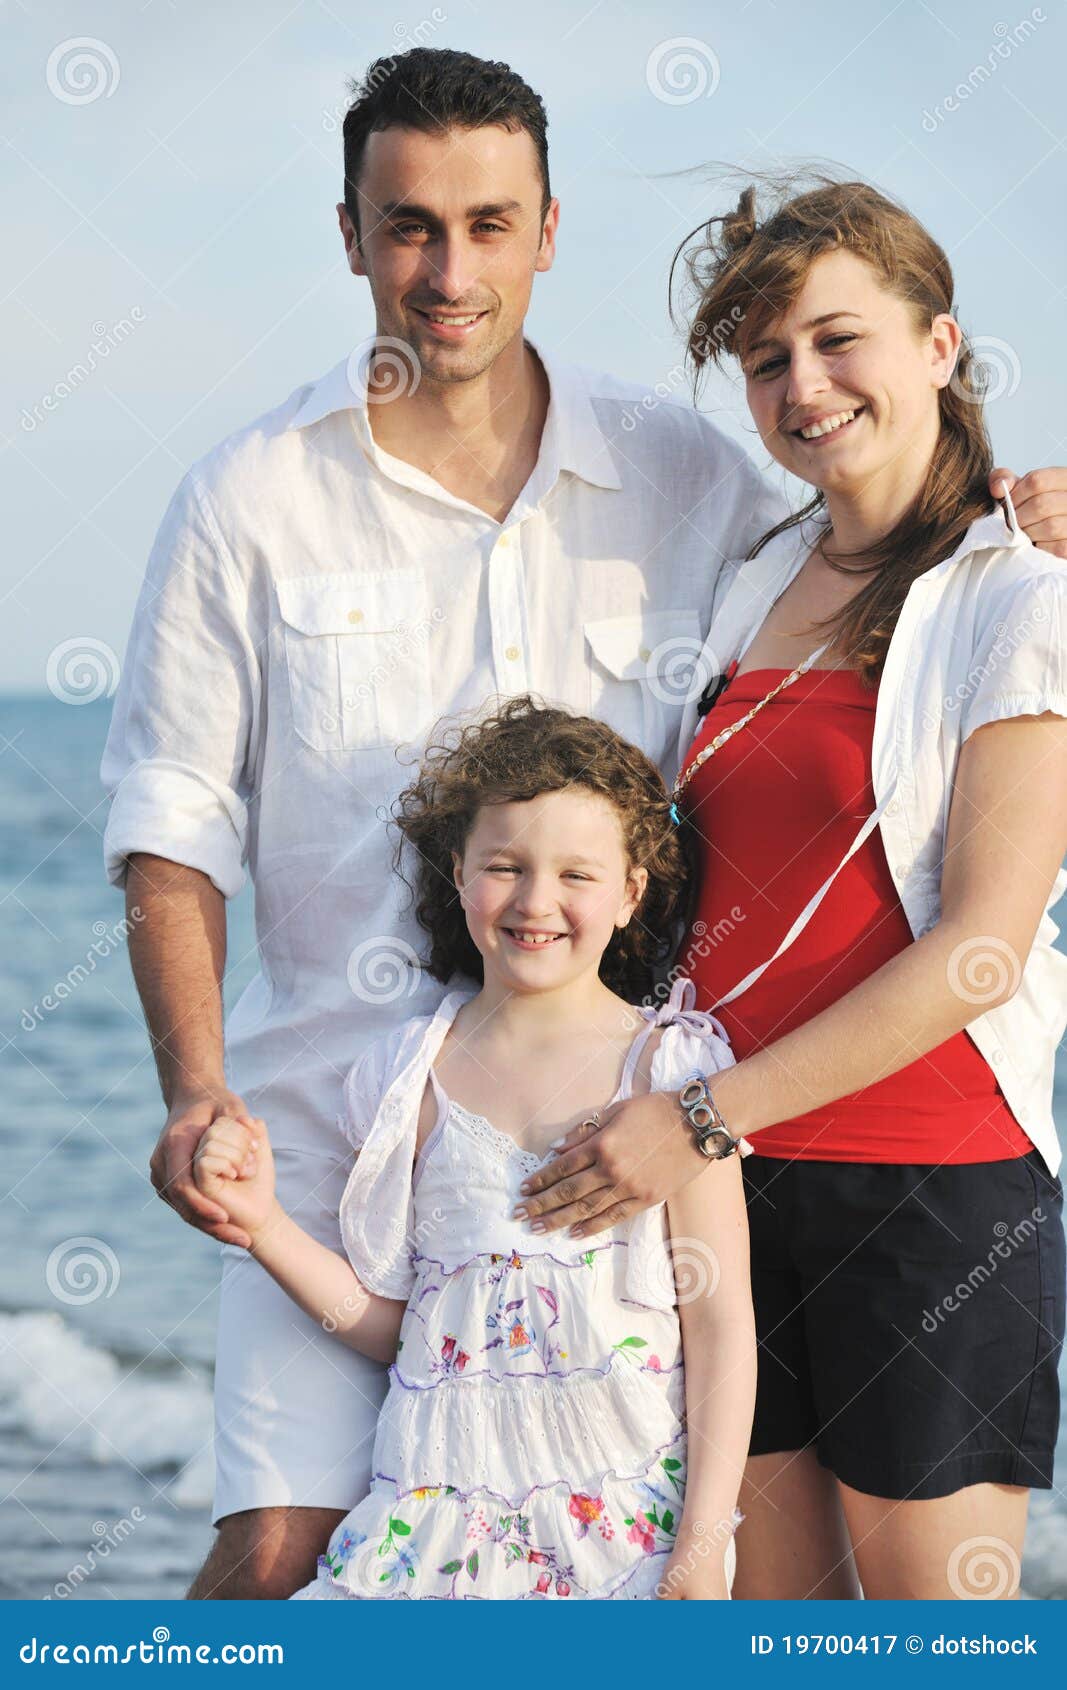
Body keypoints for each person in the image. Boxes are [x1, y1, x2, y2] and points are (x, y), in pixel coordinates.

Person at [98, 46, 1067, 1599]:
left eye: (488, 223)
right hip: (366, 1135)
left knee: (657, 1584)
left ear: (549, 230)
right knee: (285, 1547)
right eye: (408, 225)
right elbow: (172, 818)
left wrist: (1033, 518)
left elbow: (914, 601)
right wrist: (196, 1089)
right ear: (350, 235)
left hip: (659, 1151)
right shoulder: (251, 497)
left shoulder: (691, 483)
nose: (448, 268)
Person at [516, 177, 1067, 1601]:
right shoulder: (746, 574)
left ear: (939, 346)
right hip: (732, 1196)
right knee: (750, 1638)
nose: (801, 387)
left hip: (928, 1196)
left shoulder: (1018, 592)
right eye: (764, 360)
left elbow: (980, 953)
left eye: (838, 340)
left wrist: (690, 1121)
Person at [190, 698, 757, 1599]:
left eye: (577, 873)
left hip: (618, 1533)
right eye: (505, 866)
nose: (536, 901)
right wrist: (261, 1225)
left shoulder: (670, 1074)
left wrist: (702, 1547)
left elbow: (722, 1331)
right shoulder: (407, 1077)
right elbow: (396, 1326)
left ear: (631, 892)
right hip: (429, 1530)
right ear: (457, 874)